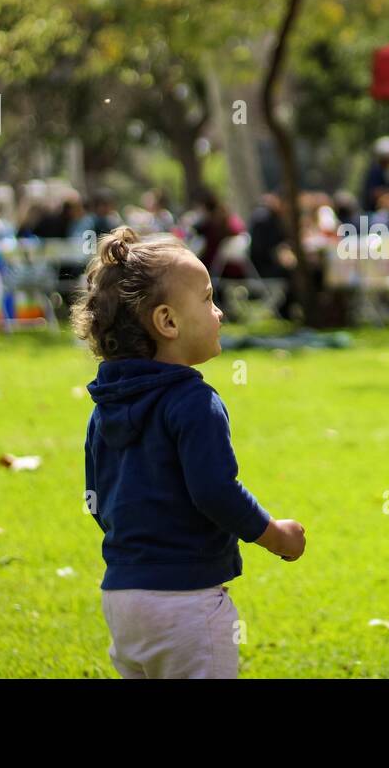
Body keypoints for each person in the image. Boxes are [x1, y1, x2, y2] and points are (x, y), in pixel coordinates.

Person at [71, 227, 305, 678]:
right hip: (187, 603)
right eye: (207, 299)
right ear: (168, 322)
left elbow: (96, 499)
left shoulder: (105, 406)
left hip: (122, 597)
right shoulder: (194, 401)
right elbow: (215, 491)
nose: (219, 312)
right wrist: (275, 535)